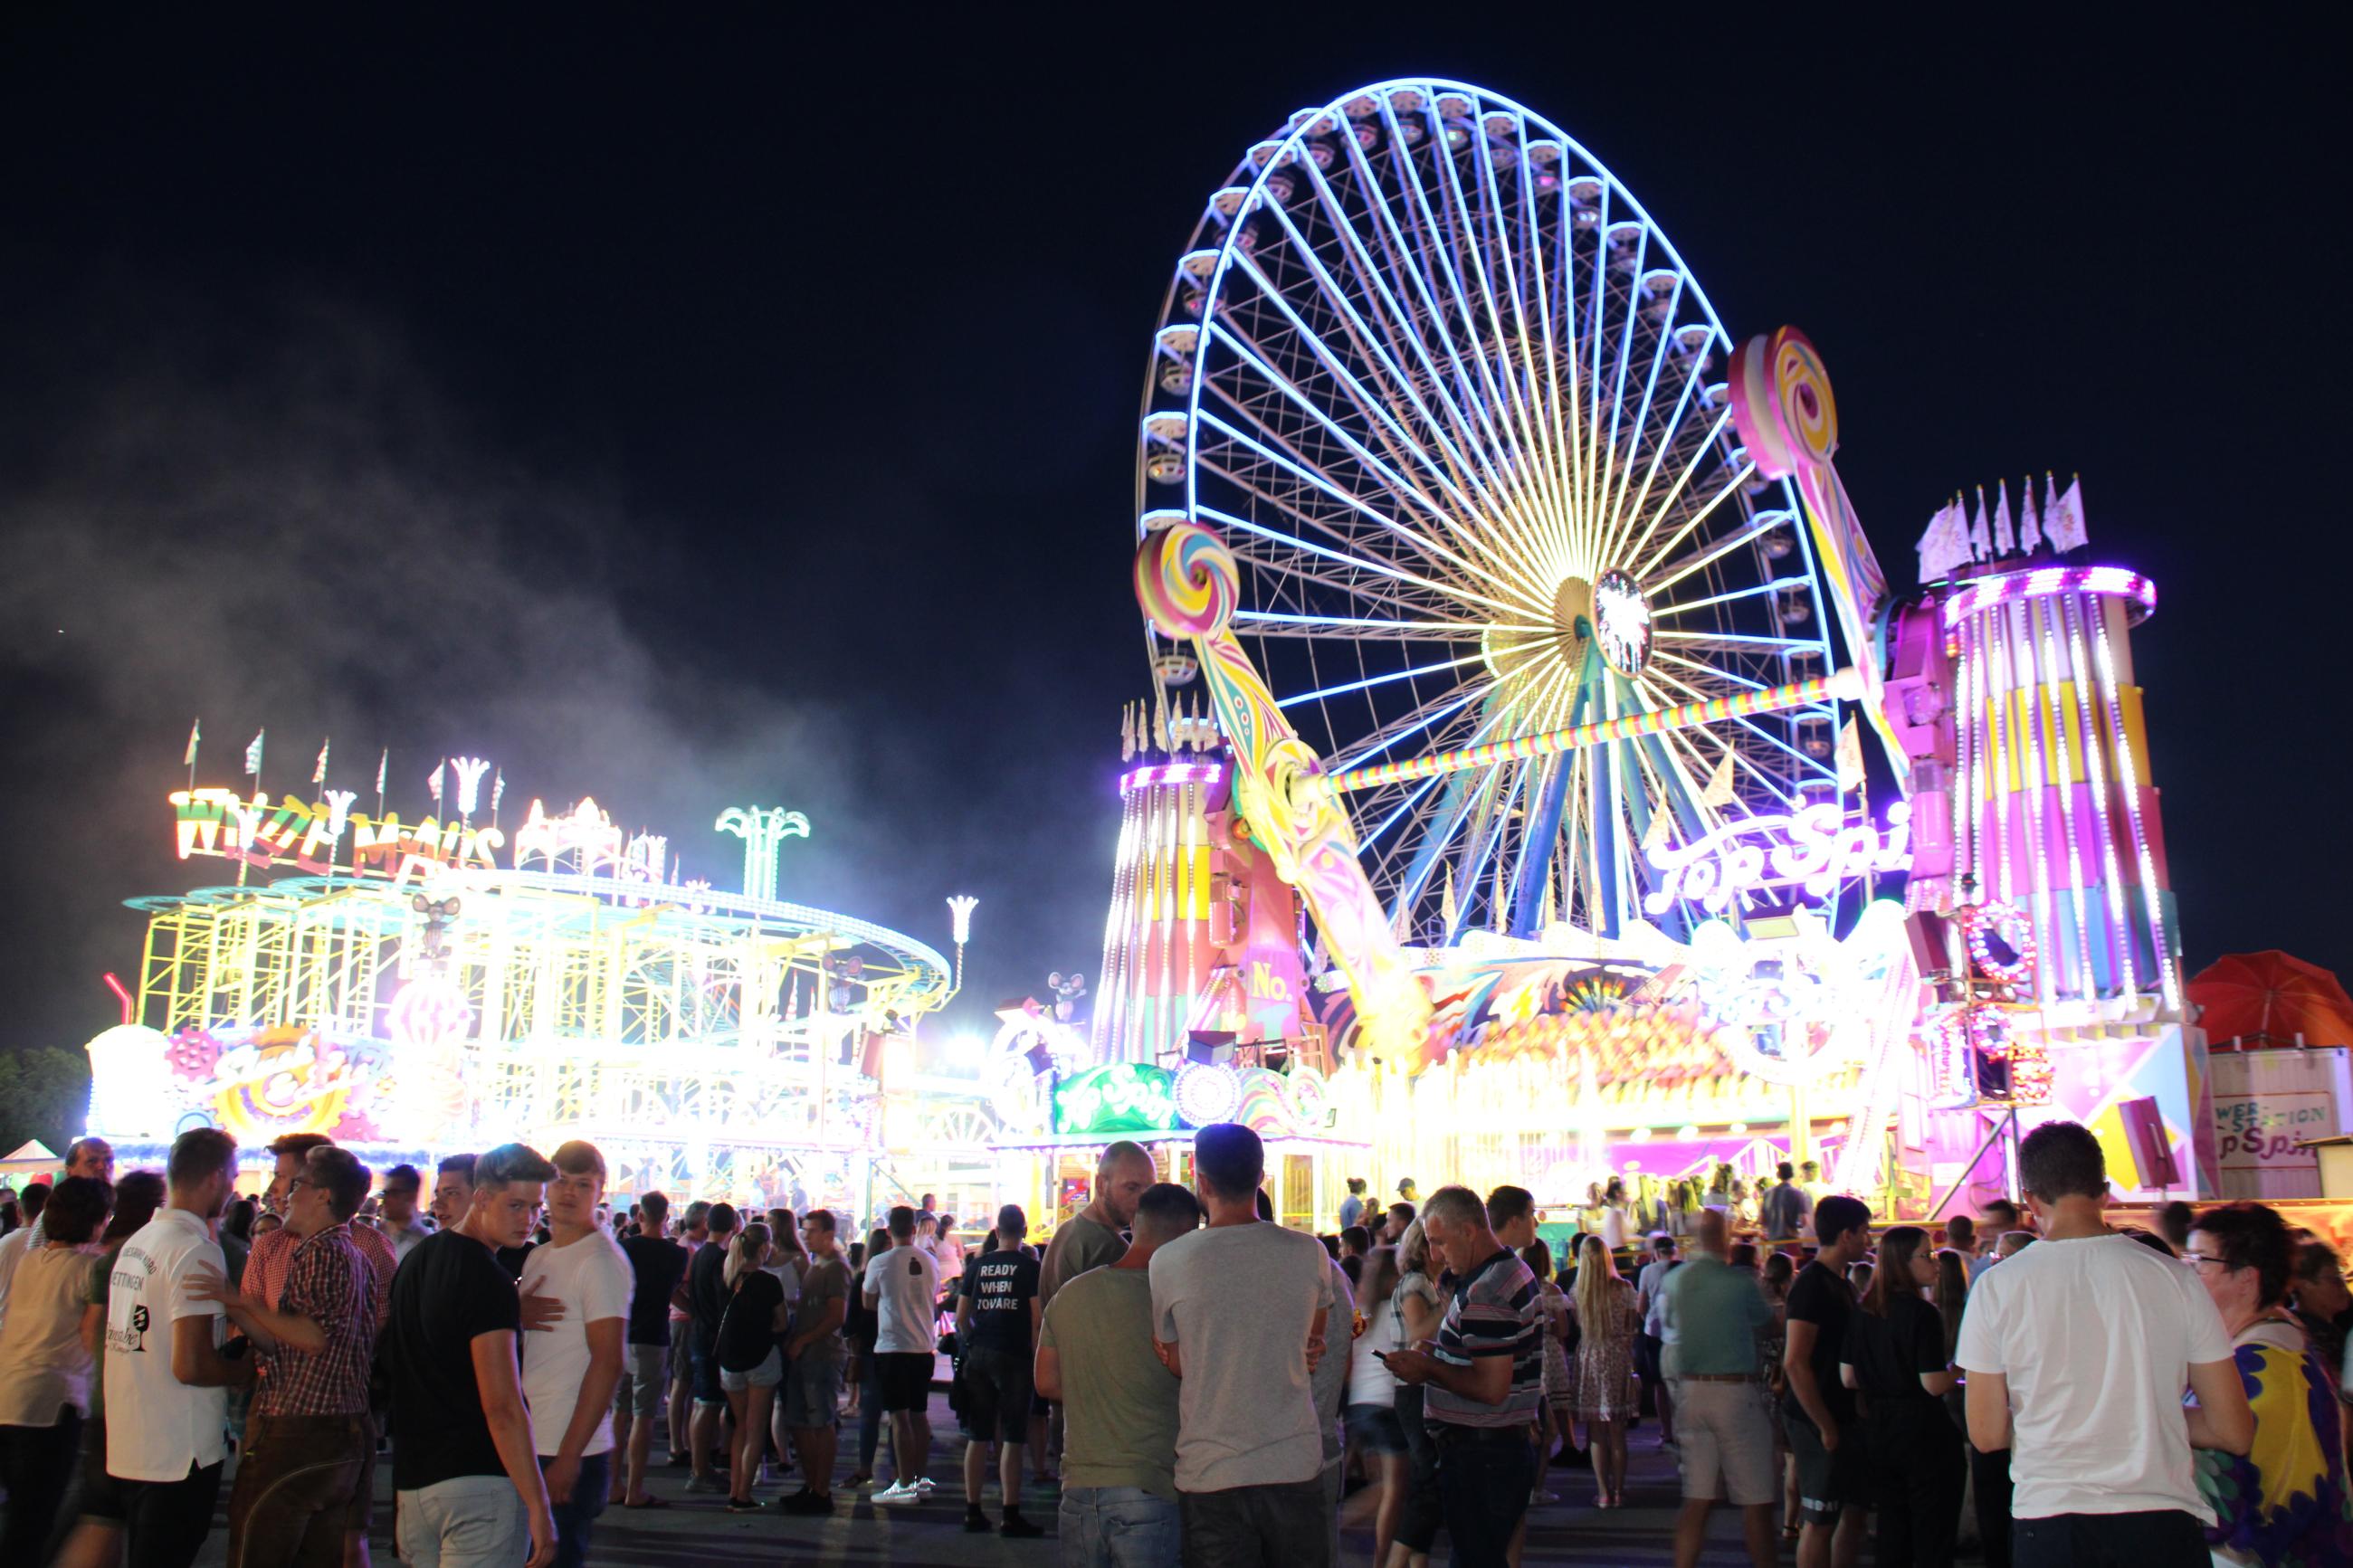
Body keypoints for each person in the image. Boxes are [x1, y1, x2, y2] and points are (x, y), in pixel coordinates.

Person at [1957, 1123, 2253, 1568]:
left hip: (2053, 1522)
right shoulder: (2177, 1279)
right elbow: (2234, 1430)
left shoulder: (1997, 1288)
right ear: (2105, 1192)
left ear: (2030, 1201)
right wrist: (2142, 1415)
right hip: (2163, 1522)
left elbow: (1987, 1433)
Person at [1148, 1122, 1333, 1565]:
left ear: (1203, 1182)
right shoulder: (1309, 1253)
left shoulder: (1169, 1260)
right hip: (1293, 1462)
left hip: (1211, 1469)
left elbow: (1177, 1361)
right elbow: (1312, 1342)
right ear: (1260, 1178)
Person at [190, 1145, 375, 1568]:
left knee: (255, 1548)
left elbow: (311, 1338)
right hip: (337, 1433)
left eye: (298, 1185)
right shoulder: (349, 1251)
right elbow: (281, 1342)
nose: (287, 1195)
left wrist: (245, 1303)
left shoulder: (323, 1251)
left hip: (300, 1431)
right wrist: (233, 1302)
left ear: (323, 1195)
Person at [386, 1143, 558, 1568]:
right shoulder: (487, 1277)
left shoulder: (417, 1259)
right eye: (515, 1205)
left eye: (536, 1207)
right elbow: (502, 1405)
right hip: (478, 1481)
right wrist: (539, 1503)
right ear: (481, 1198)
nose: (528, 1218)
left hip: (414, 1481)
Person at [107, 1128, 251, 1568]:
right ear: (215, 1177)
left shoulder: (139, 1243)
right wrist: (247, 1371)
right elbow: (191, 1365)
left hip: (134, 1440)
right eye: (233, 1177)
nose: (233, 1188)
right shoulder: (194, 1250)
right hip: (179, 1450)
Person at [2183, 1202, 2353, 1565]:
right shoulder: (2266, 1343)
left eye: (2200, 1260)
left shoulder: (2263, 1367)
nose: (2188, 1272)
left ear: (2247, 1278)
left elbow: (2227, 1499)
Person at [1382, 1183, 1540, 1568]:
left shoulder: (1487, 1289)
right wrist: (1440, 1353)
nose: (1435, 1254)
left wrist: (1429, 1367)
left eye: (1440, 1242)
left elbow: (1491, 1387)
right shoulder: (1507, 1271)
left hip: (1482, 1453)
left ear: (1469, 1231)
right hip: (1494, 1449)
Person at [1040, 1180, 1196, 1567]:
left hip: (1078, 1488)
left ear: (1136, 1225)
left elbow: (1046, 1382)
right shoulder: (1175, 1302)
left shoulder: (1070, 1295)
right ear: (1185, 1239)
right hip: (1149, 1485)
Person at [517, 1142, 630, 1563]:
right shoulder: (539, 1256)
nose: (568, 1192)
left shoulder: (599, 1260)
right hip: (532, 1435)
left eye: (582, 1184)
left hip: (567, 1445)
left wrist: (569, 1457)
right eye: (561, 1181)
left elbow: (609, 1361)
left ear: (600, 1191)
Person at [1838, 1224, 1963, 1568]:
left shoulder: (1863, 1310)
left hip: (1879, 1427)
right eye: (1927, 1254)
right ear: (1902, 1262)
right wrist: (1960, 1368)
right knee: (1933, 1532)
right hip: (1924, 1432)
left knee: (1892, 1528)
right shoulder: (1922, 1313)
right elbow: (1932, 1383)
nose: (1935, 1262)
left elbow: (1848, 1377)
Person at [1657, 1208, 1776, 1568]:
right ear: (1724, 1237)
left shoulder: (1675, 1280)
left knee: (1697, 1499)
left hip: (1691, 1393)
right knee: (1756, 1500)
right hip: (1735, 1392)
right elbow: (1767, 1323)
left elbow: (1670, 1322)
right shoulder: (1739, 1282)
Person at [0, 1172, 109, 1564]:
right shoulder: (88, 1270)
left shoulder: (29, 1261)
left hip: (8, 1393)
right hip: (51, 1404)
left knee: (19, 1516)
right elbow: (91, 1335)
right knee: (34, 1519)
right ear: (94, 1221)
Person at [1782, 1193, 1872, 1568]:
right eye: (1864, 1232)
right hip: (1818, 1415)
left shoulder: (1841, 1283)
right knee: (1820, 1518)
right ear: (1846, 1235)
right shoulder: (1812, 1285)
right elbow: (1795, 1361)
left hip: (1840, 1413)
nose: (1868, 1240)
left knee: (1852, 1512)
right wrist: (1824, 1424)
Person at [954, 1202, 1046, 1536]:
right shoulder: (1029, 1267)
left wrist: (973, 1341)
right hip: (1014, 1355)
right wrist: (1038, 1357)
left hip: (980, 1353)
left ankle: (973, 1510)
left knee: (978, 1435)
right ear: (1024, 1232)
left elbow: (961, 1317)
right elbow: (1036, 1318)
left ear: (996, 1232)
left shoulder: (978, 1265)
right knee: (1012, 1436)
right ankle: (1010, 1513)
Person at [610, 1190, 687, 1508]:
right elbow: (673, 1292)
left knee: (619, 1412)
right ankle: (635, 1489)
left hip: (622, 1335)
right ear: (666, 1218)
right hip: (654, 1337)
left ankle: (612, 1484)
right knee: (643, 1415)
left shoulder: (623, 1249)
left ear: (639, 1216)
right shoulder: (676, 1255)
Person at [861, 1203, 940, 1504]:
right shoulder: (930, 1261)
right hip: (923, 1346)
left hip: (893, 1346)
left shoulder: (880, 1262)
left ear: (888, 1229)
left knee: (899, 1417)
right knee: (919, 1415)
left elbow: (868, 1302)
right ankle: (920, 1480)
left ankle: (904, 1485)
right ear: (914, 1229)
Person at [776, 1208, 851, 1516]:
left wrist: (804, 1339)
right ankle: (811, 1485)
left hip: (822, 1355)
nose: (805, 1236)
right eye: (804, 1230)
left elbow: (836, 1315)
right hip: (804, 1353)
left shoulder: (835, 1268)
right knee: (800, 1422)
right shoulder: (815, 1264)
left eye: (811, 1231)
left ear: (829, 1234)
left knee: (821, 1422)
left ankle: (821, 1490)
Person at [1345, 1243, 1410, 1568]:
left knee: (1383, 1485)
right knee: (1393, 1489)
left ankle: (1342, 1527)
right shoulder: (1397, 1311)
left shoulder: (1360, 1313)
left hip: (1360, 1403)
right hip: (1387, 1404)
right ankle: (1379, 1557)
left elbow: (1348, 1356)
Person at [716, 1223, 786, 1512]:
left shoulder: (726, 1278)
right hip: (760, 1357)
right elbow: (782, 1323)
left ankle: (735, 1489)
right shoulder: (768, 1282)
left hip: (730, 1360)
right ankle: (743, 1494)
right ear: (763, 1248)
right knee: (756, 1428)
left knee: (740, 1426)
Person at [1565, 1232, 1637, 1507]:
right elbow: (1631, 1326)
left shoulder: (1578, 1292)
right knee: (1618, 1431)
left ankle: (1603, 1492)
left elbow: (1577, 1324)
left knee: (1595, 1430)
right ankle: (1619, 1490)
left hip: (1590, 1355)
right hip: (1616, 1354)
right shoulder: (1624, 1288)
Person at [1388, 1219, 1446, 1568]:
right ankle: (1398, 1559)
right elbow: (1418, 1332)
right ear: (1424, 1249)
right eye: (1438, 1243)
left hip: (1415, 1388)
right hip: (1414, 1389)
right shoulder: (1416, 1284)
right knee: (1429, 1481)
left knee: (1425, 1481)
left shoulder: (1424, 1283)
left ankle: (1415, 1560)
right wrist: (1448, 1306)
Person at [1043, 1143, 1154, 1307]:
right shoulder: (1110, 1248)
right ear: (1101, 1184)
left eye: (1149, 1189)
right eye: (1131, 1188)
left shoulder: (1066, 1230)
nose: (1142, 1199)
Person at [682, 1201, 740, 1494]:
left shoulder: (701, 1254)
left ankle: (700, 1466)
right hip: (712, 1339)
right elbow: (724, 1302)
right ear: (735, 1227)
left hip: (699, 1333)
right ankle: (700, 1470)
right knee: (707, 1404)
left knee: (702, 1403)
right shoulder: (720, 1258)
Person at [843, 1226, 890, 1489]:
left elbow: (852, 1320)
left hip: (873, 1347)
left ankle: (866, 1468)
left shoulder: (864, 1277)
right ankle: (897, 1472)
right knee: (891, 1413)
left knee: (872, 1413)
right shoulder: (891, 1275)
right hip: (885, 1346)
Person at [1635, 1232, 1681, 1449]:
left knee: (1660, 1385)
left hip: (1655, 1331)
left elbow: (1641, 1305)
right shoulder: (1683, 1269)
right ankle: (1683, 1429)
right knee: (1681, 1383)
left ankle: (1666, 1431)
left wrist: (1648, 1319)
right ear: (1674, 1251)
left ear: (1656, 1253)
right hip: (1680, 1334)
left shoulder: (1648, 1271)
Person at [0, 1180, 52, 1328]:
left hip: (5, 1326)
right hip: (37, 1327)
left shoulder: (4, 1243)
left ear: (19, 1211)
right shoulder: (55, 1245)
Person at [378, 1164, 428, 1263]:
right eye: (385, 1194)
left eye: (393, 1193)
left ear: (412, 1196)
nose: (385, 1200)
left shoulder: (423, 1243)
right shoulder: (376, 1235)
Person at [1762, 1163, 1810, 1243]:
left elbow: (1762, 1220)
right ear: (1792, 1174)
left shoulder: (1767, 1193)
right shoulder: (1797, 1193)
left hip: (1772, 1240)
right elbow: (1803, 1221)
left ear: (1778, 1175)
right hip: (1791, 1241)